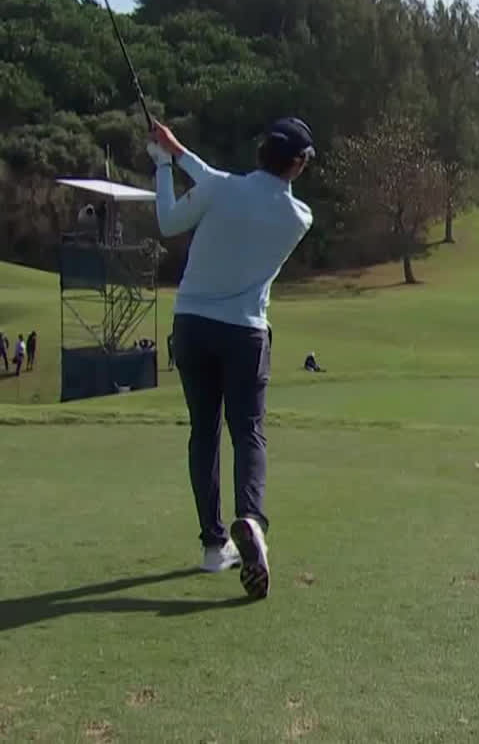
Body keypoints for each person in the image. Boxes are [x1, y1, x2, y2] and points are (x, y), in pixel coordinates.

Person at [148, 117, 314, 600]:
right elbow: (222, 182)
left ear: (260, 149)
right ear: (298, 165)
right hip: (245, 332)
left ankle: (212, 545)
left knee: (205, 431)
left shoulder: (220, 190)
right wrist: (179, 154)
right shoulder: (298, 218)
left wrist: (164, 165)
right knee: (247, 431)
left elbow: (171, 219)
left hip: (192, 325)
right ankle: (252, 519)